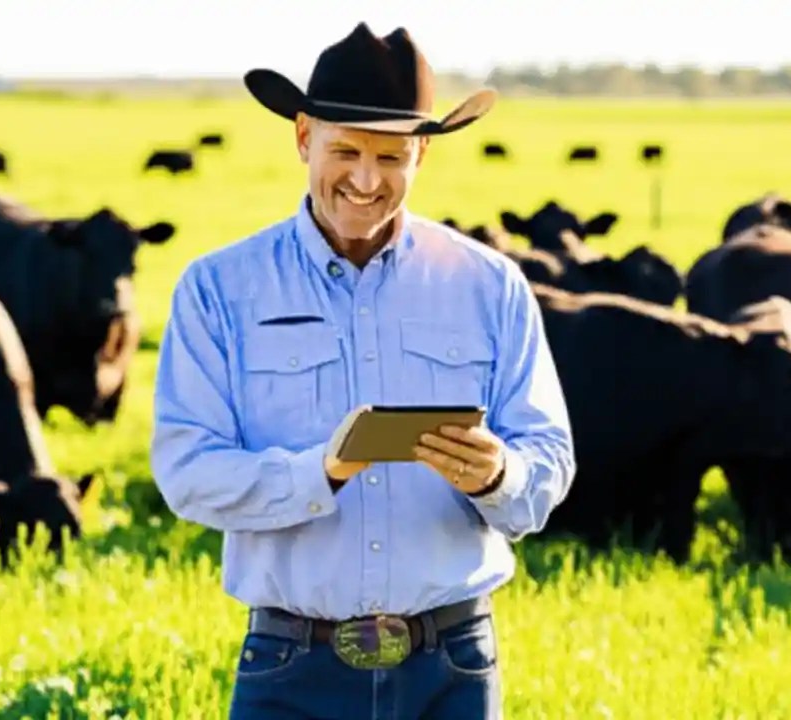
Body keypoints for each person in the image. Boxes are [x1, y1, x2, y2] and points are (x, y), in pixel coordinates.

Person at [150, 22, 576, 720]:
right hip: (290, 667)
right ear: (303, 138)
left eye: (391, 156)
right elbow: (187, 472)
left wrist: (499, 475)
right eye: (345, 150)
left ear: (422, 153)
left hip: (453, 667)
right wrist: (319, 472)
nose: (366, 180)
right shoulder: (219, 288)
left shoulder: (490, 285)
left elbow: (550, 457)